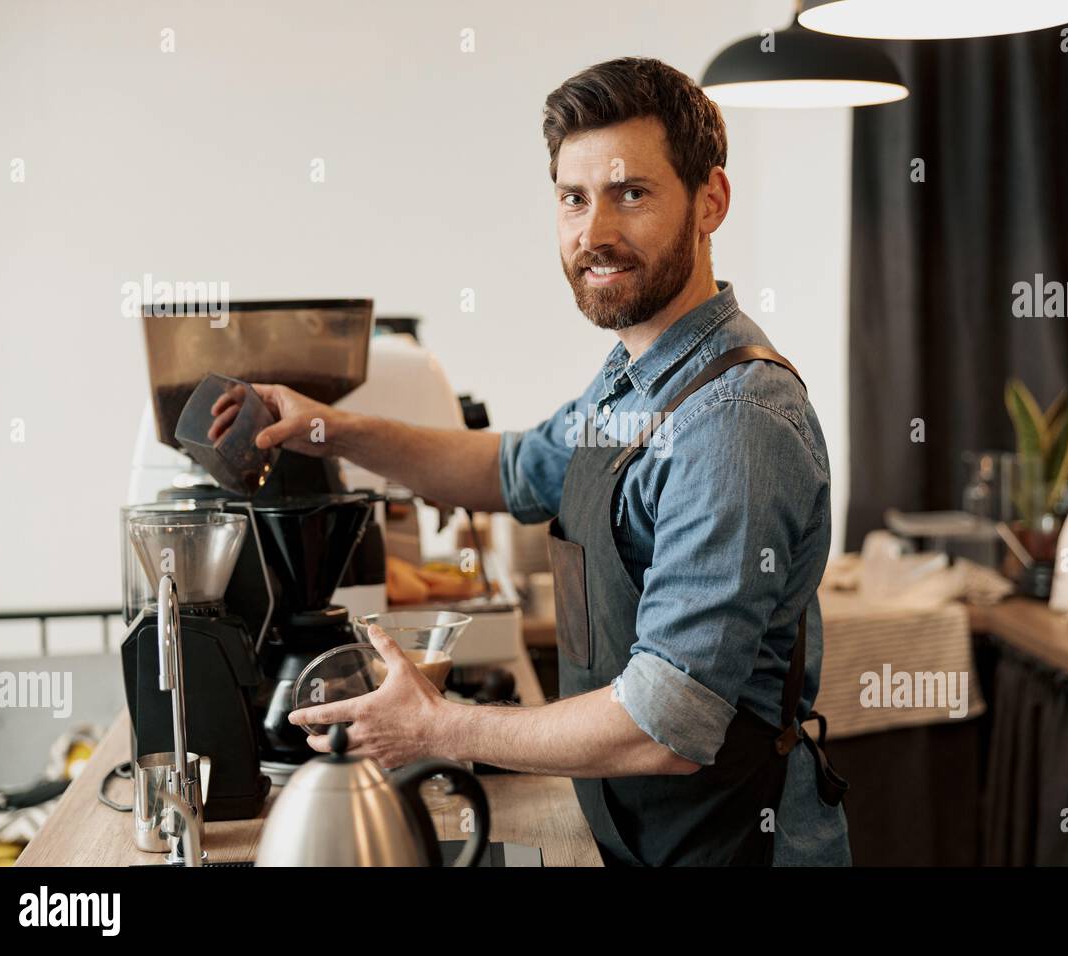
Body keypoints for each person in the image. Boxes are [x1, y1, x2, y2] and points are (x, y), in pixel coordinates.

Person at [227, 57, 850, 866]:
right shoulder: (635, 378)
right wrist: (327, 432)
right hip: (642, 836)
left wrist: (440, 727)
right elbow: (509, 469)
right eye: (573, 198)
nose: (593, 233)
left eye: (631, 193)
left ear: (711, 203)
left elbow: (669, 721)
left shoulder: (734, 422)